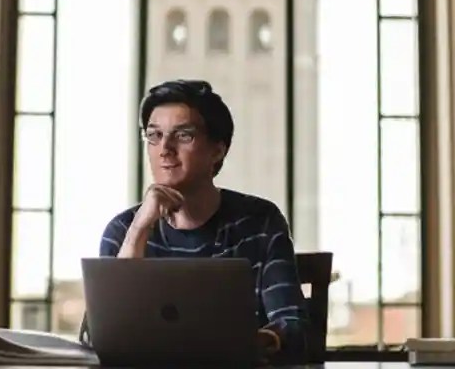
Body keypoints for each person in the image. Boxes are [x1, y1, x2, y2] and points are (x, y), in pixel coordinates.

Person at [93, 79, 307, 362]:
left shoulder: (261, 223)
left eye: (183, 136)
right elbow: (102, 337)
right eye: (154, 135)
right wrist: (139, 229)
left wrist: (253, 342)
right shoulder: (123, 230)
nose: (164, 149)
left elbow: (292, 324)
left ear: (217, 150)